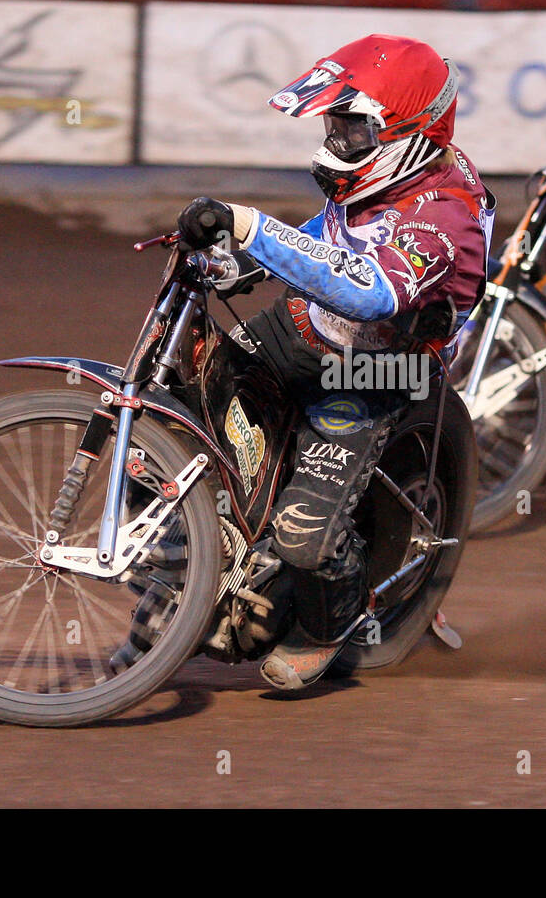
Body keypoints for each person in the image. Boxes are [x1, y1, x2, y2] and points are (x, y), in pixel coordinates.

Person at [175, 34, 494, 689]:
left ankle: (332, 620)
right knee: (195, 391)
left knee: (302, 534)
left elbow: (369, 290)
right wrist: (239, 259)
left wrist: (253, 230)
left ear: (404, 135)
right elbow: (332, 236)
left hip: (379, 370)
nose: (336, 138)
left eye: (352, 127)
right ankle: (219, 545)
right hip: (309, 327)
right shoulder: (386, 172)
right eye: (335, 123)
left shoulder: (443, 217)